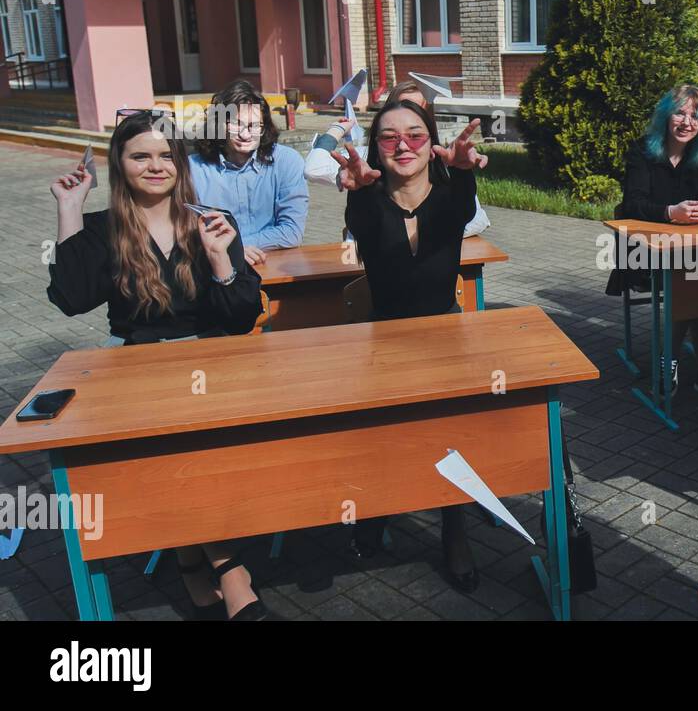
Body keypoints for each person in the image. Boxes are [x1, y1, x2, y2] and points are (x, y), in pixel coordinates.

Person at [47, 110, 272, 620]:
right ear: (119, 165)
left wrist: (219, 261)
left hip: (212, 362)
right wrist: (69, 209)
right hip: (142, 371)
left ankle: (190, 557)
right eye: (140, 155)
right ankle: (232, 570)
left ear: (181, 162)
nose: (156, 166)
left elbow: (241, 319)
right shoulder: (104, 228)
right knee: (176, 453)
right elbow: (72, 296)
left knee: (207, 453)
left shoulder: (212, 220)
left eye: (166, 155)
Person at [330, 98, 489, 591]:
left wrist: (463, 173)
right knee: (384, 434)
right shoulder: (370, 199)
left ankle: (454, 526)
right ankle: (379, 509)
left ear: (431, 142)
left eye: (415, 135)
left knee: (447, 433)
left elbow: (460, 210)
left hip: (444, 335)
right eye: (390, 137)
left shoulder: (447, 199)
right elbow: (367, 231)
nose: (403, 145)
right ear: (375, 148)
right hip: (386, 339)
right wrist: (356, 192)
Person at [605, 83, 698, 403]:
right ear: (666, 115)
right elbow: (633, 204)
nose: (687, 121)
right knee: (694, 280)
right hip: (642, 251)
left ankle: (673, 360)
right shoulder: (643, 151)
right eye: (680, 112)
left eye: (695, 116)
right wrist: (670, 212)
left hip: (689, 250)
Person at [304, 80, 490, 237]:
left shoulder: (443, 161)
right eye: (403, 108)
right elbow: (314, 169)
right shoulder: (365, 159)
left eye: (418, 112)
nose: (403, 145)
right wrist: (336, 130)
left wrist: (461, 172)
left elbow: (476, 218)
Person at [189, 80, 309, 267]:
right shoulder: (193, 169)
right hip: (212, 268)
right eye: (237, 124)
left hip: (271, 264)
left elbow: (292, 232)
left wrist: (234, 245)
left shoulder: (287, 161)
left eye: (254, 126)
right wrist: (232, 251)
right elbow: (185, 234)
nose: (245, 135)